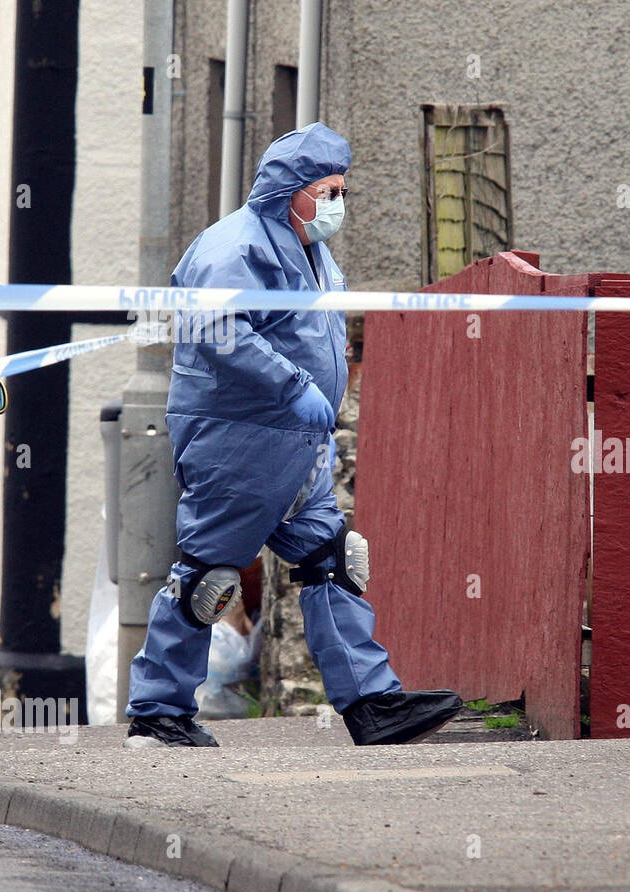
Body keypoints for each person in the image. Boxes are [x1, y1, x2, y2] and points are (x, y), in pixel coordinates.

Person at [124, 122, 462, 748]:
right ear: (292, 190)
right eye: (329, 189)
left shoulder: (307, 245)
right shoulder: (236, 246)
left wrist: (309, 400)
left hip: (296, 440)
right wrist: (292, 388)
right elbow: (219, 329)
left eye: (343, 190)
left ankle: (372, 703)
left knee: (331, 561)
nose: (339, 202)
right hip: (239, 438)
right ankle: (158, 713)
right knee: (208, 576)